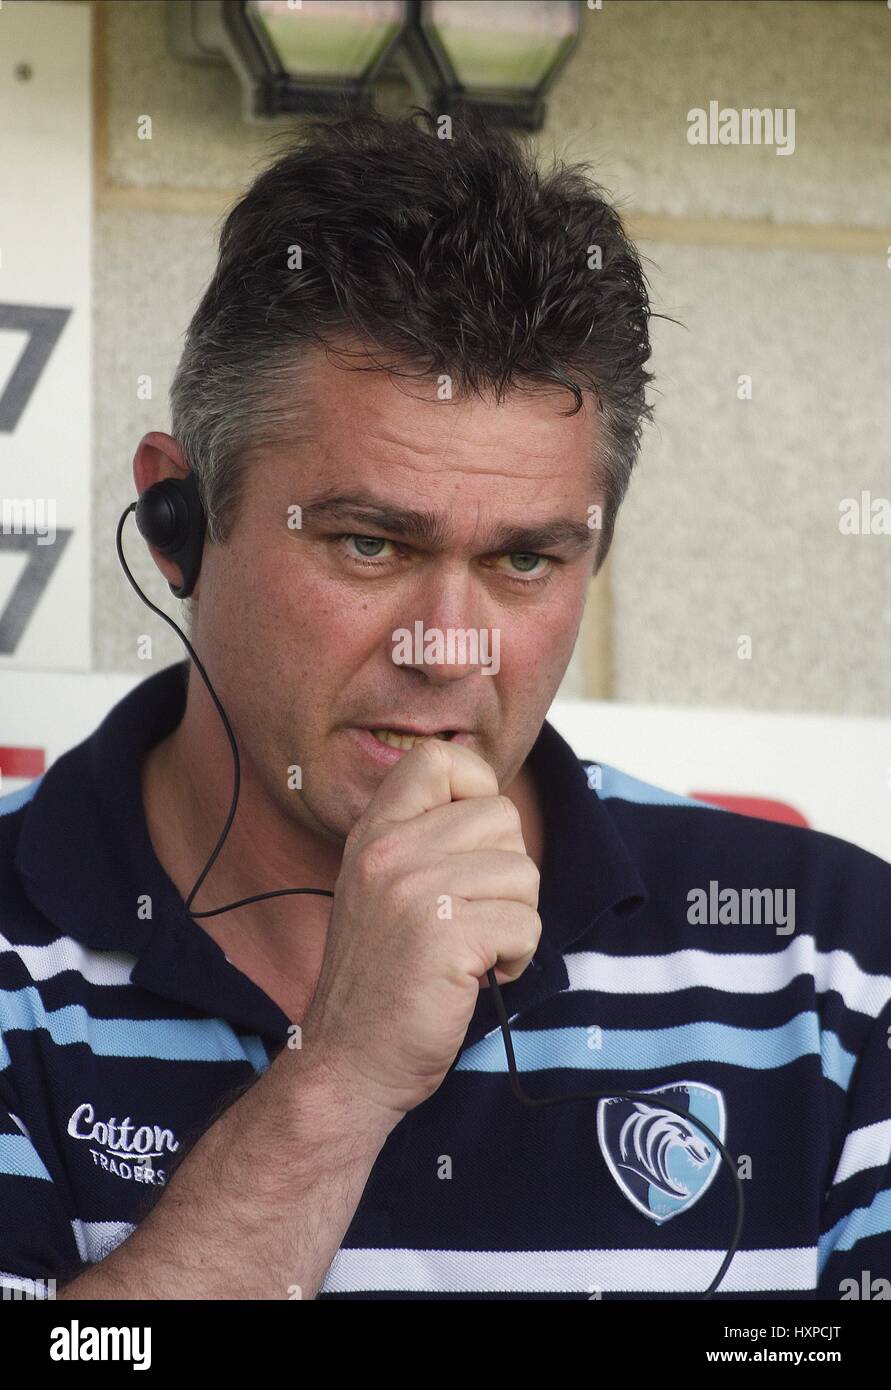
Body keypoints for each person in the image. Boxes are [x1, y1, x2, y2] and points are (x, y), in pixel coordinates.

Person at [1, 110, 888, 1302]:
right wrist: (344, 1074)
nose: (447, 644)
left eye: (526, 560)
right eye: (369, 543)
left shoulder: (836, 972)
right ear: (178, 520)